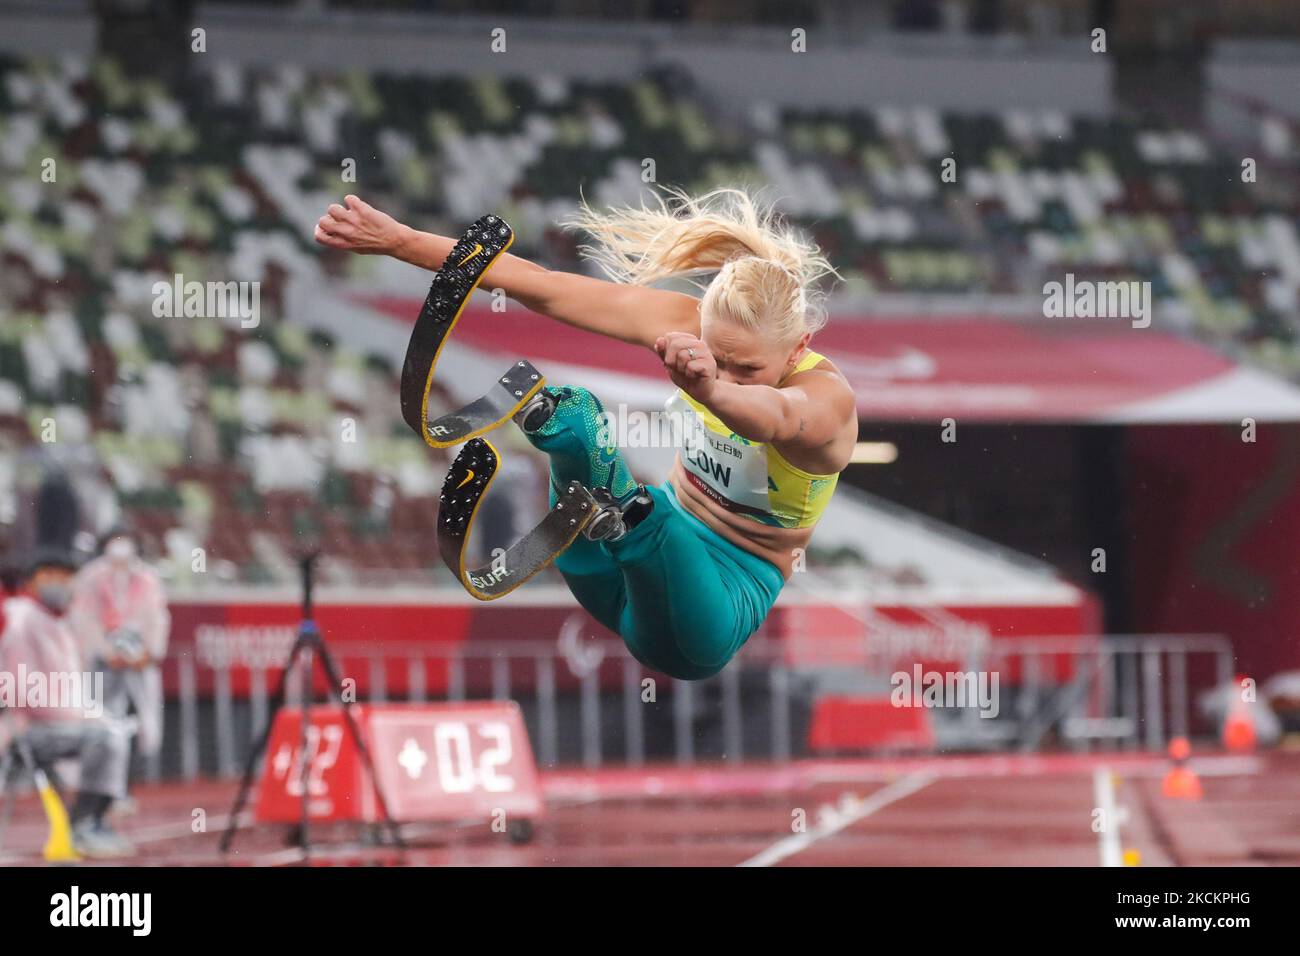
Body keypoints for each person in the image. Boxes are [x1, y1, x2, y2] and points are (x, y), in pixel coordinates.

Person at [316, 185, 858, 679]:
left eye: (747, 368)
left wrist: (710, 388)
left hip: (702, 616)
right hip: (603, 569)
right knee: (578, 415)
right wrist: (400, 241)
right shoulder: (691, 326)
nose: (725, 371)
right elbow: (545, 287)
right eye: (718, 356)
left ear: (799, 347)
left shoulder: (827, 403)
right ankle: (561, 439)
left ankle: (622, 516)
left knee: (654, 515)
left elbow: (772, 416)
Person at [0, 549, 134, 857]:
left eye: (65, 576)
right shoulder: (22, 620)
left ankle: (94, 820)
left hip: (59, 723)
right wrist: (83, 718)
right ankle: (83, 825)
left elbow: (70, 690)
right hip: (26, 730)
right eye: (50, 575)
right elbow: (23, 693)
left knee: (116, 730)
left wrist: (92, 714)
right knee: (106, 738)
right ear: (32, 581)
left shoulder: (59, 622)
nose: (59, 583)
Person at [70, 525, 170, 778]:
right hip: (103, 664)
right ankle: (100, 783)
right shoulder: (91, 577)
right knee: (101, 722)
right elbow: (84, 619)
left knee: (137, 724)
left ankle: (126, 784)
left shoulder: (147, 577)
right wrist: (105, 652)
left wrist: (149, 652)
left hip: (138, 663)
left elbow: (156, 618)